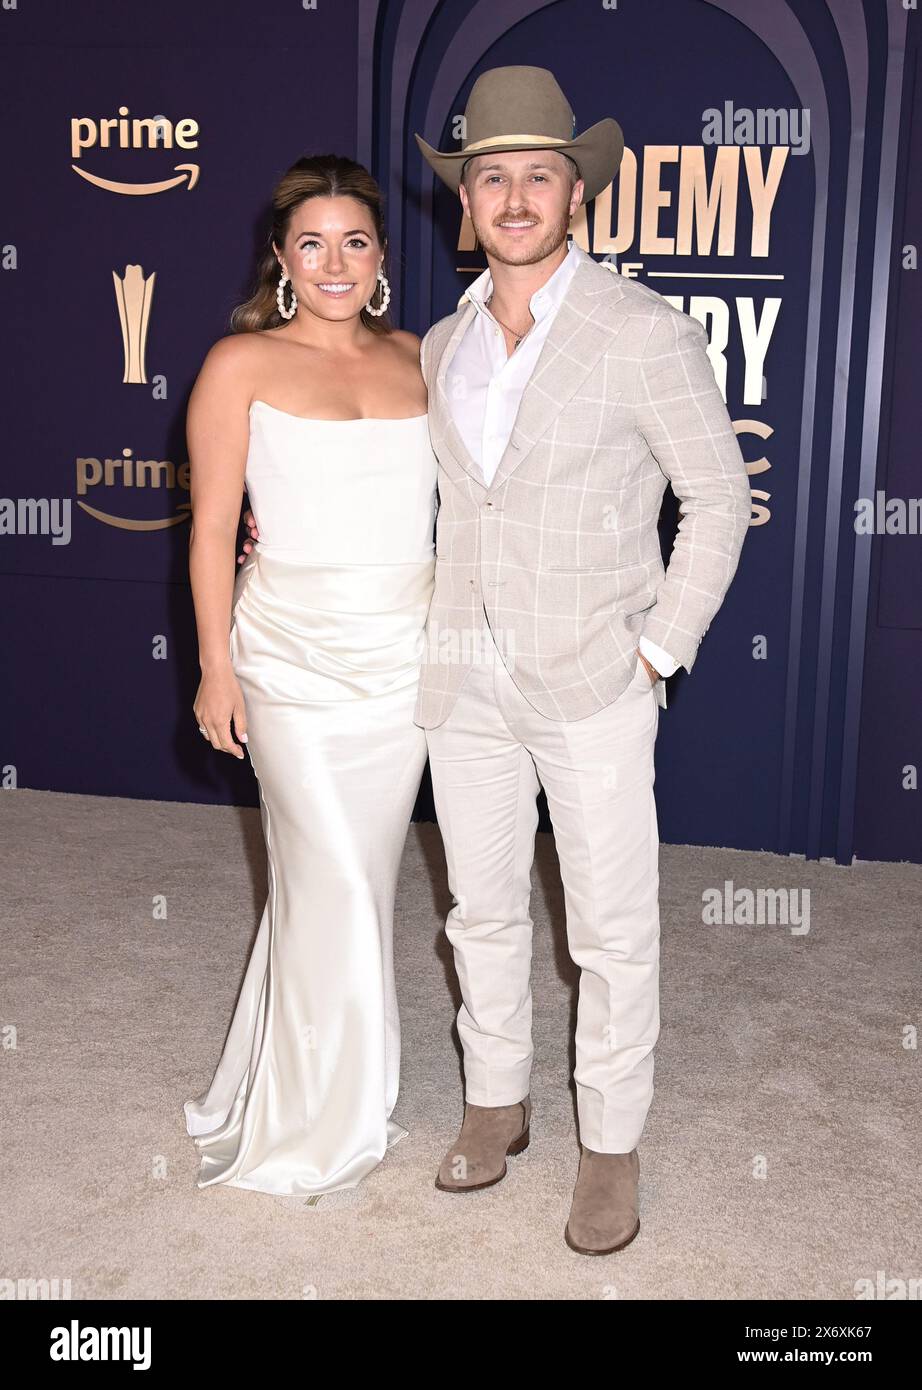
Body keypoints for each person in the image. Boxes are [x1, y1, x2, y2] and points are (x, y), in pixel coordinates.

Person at [412, 67, 752, 1253]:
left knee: (608, 927)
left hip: (596, 676)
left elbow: (718, 497)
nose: (513, 196)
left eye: (536, 175)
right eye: (489, 175)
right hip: (463, 676)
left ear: (575, 194)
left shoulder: (642, 331)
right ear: (468, 197)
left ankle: (609, 1144)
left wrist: (656, 652)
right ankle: (494, 1103)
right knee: (478, 909)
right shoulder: (442, 342)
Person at [182, 154, 437, 1195]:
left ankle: (310, 1078)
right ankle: (320, 1117)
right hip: (285, 655)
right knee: (328, 870)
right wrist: (213, 666)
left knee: (351, 883)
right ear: (282, 259)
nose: (335, 262)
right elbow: (207, 535)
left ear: (380, 257)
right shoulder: (238, 364)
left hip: (404, 660)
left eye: (356, 241)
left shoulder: (426, 358)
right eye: (313, 243)